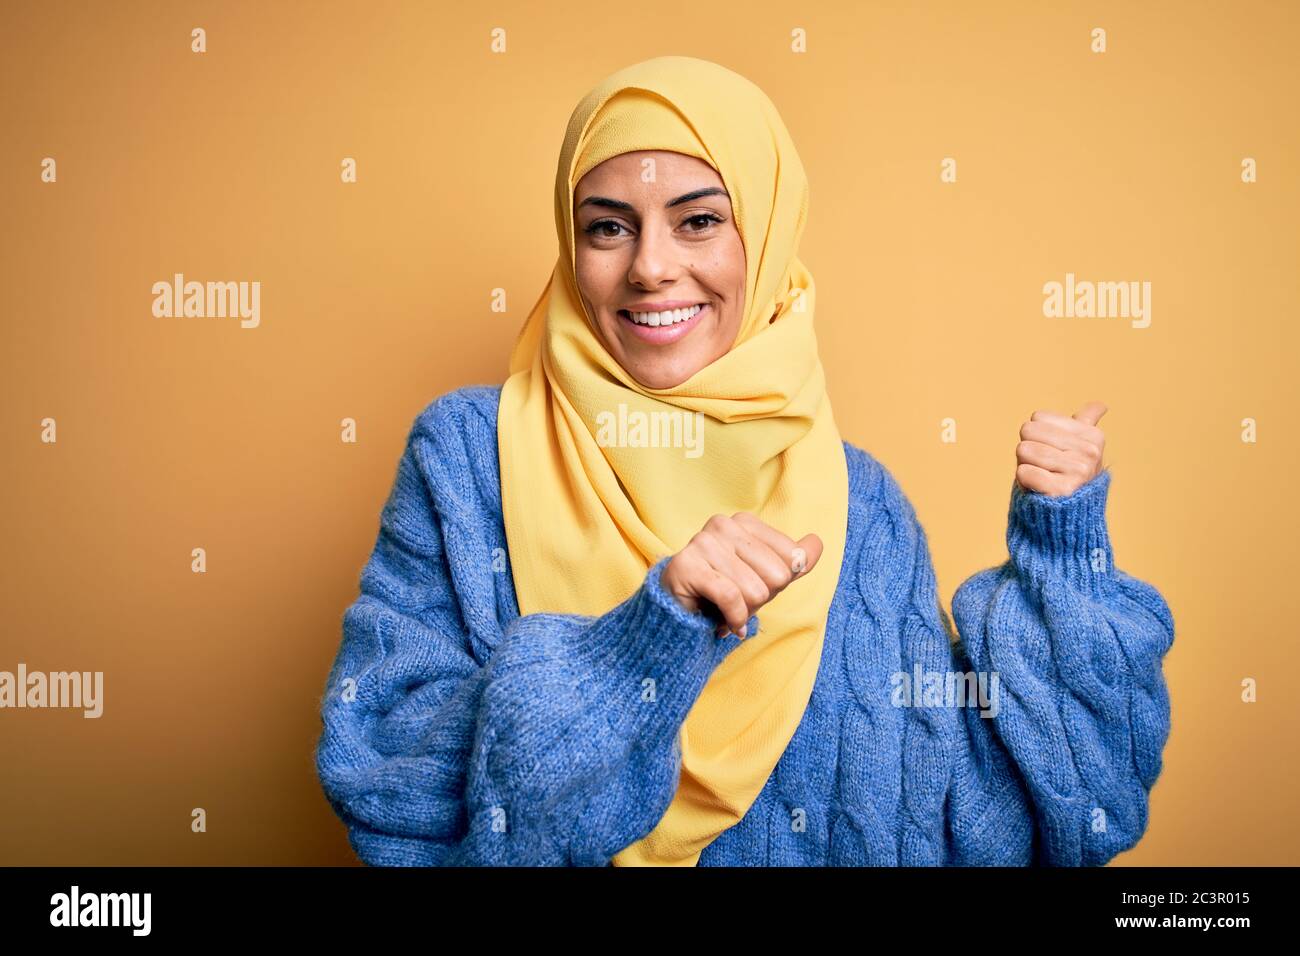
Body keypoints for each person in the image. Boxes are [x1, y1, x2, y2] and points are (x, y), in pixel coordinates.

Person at [314, 55, 1174, 867]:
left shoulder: (857, 502)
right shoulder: (469, 456)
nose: (651, 268)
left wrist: (1063, 568)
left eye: (698, 221)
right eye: (607, 228)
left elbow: (1014, 826)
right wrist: (650, 639)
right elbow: (386, 781)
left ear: (762, 235)